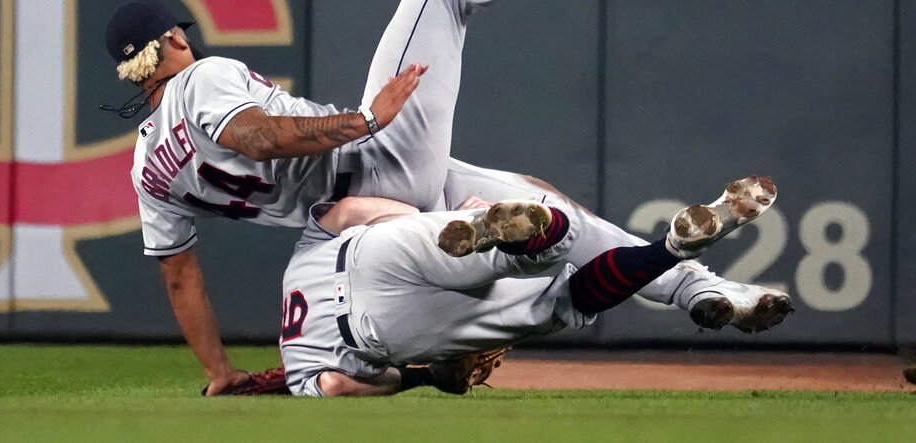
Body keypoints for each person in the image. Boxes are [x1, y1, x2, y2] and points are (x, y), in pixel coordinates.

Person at [102, 0, 791, 395]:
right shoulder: (198, 79)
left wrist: (220, 371)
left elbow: (180, 279)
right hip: (368, 167)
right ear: (169, 40)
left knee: (558, 216)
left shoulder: (146, 168)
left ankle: (703, 288)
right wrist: (366, 119)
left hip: (350, 222)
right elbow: (256, 136)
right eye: (178, 34)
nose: (185, 40)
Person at [279, 176, 778, 396]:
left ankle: (669, 252)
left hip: (376, 332)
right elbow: (347, 213)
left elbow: (334, 385)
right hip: (368, 251)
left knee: (559, 305)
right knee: (561, 241)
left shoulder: (302, 372)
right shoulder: (293, 275)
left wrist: (424, 378)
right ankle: (499, 232)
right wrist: (430, 221)